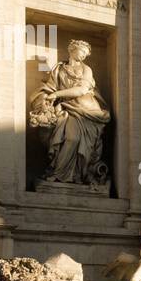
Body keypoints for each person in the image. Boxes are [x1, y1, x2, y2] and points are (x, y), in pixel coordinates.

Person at [31, 39, 110, 185]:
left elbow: (82, 90)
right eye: (82, 52)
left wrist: (56, 95)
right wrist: (44, 100)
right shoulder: (59, 69)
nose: (84, 56)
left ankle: (67, 175)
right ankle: (62, 175)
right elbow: (50, 87)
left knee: (73, 139)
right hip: (66, 108)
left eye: (86, 54)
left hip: (86, 110)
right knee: (67, 137)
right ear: (72, 50)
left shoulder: (86, 69)